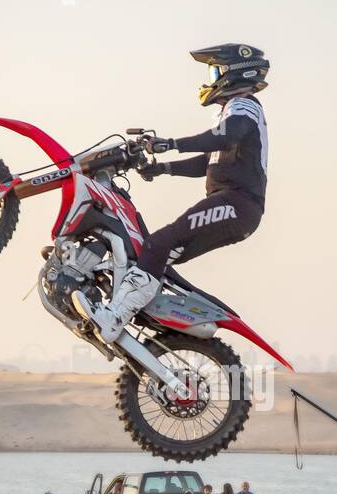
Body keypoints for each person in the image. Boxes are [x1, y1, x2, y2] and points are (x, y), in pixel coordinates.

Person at [77, 44, 269, 343]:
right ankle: (151, 317)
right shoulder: (233, 114)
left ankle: (115, 317)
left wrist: (171, 143)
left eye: (215, 71)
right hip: (235, 207)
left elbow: (225, 136)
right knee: (156, 254)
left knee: (160, 243)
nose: (210, 78)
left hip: (237, 204)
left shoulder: (244, 106)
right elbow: (209, 161)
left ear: (233, 74)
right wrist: (163, 167)